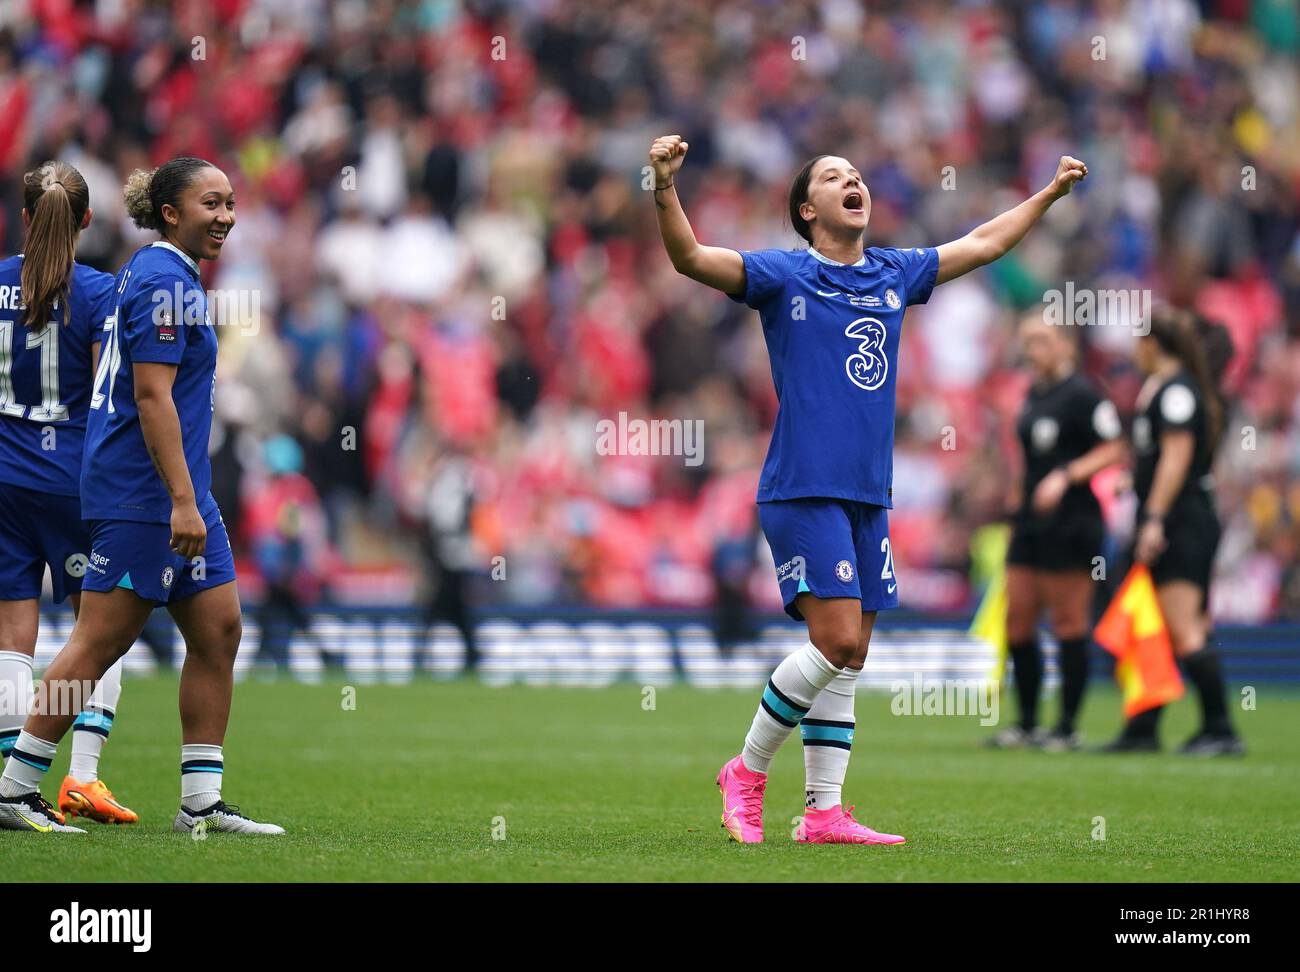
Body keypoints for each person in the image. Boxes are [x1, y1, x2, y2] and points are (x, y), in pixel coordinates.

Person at [649, 134, 1087, 844]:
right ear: (807, 208)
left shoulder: (894, 271)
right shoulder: (782, 275)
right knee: (836, 640)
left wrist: (1047, 195)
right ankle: (747, 771)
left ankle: (822, 812)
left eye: (856, 174)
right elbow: (691, 258)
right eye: (833, 176)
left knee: (852, 657)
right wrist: (663, 185)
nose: (853, 181)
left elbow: (980, 244)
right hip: (802, 487)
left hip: (867, 494)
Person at [0, 157, 284, 834]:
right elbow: (152, 397)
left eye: (230, 203)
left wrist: (193, 497)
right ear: (170, 213)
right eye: (210, 204)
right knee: (100, 640)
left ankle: (201, 804)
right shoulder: (160, 276)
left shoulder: (170, 275)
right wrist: (183, 501)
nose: (225, 216)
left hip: (181, 492)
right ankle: (14, 790)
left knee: (219, 630)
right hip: (146, 494)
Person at [0, 161, 138, 829]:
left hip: (3, 474)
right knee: (99, 631)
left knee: (11, 633)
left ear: (24, 218)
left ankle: (11, 782)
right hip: (74, 480)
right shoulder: (100, 292)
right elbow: (113, 392)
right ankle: (79, 775)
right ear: (86, 221)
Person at [1103, 308, 1243, 755]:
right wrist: (1135, 481)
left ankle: (1220, 729)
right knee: (1154, 626)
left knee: (1184, 628)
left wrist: (1155, 518)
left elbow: (1177, 458)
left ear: (1152, 345)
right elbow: (1158, 457)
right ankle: (1143, 728)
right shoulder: (1164, 389)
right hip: (1173, 514)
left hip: (1182, 520)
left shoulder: (1178, 393)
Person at [990, 312, 1124, 751]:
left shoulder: (1084, 394)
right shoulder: (1034, 393)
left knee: (1068, 622)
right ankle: (1027, 723)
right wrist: (1017, 493)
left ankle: (1066, 726)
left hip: (1072, 523)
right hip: (1030, 522)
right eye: (1027, 342)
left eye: (1041, 341)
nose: (1032, 352)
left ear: (1065, 344)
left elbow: (1115, 447)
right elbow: (1029, 458)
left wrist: (1067, 476)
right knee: (1019, 621)